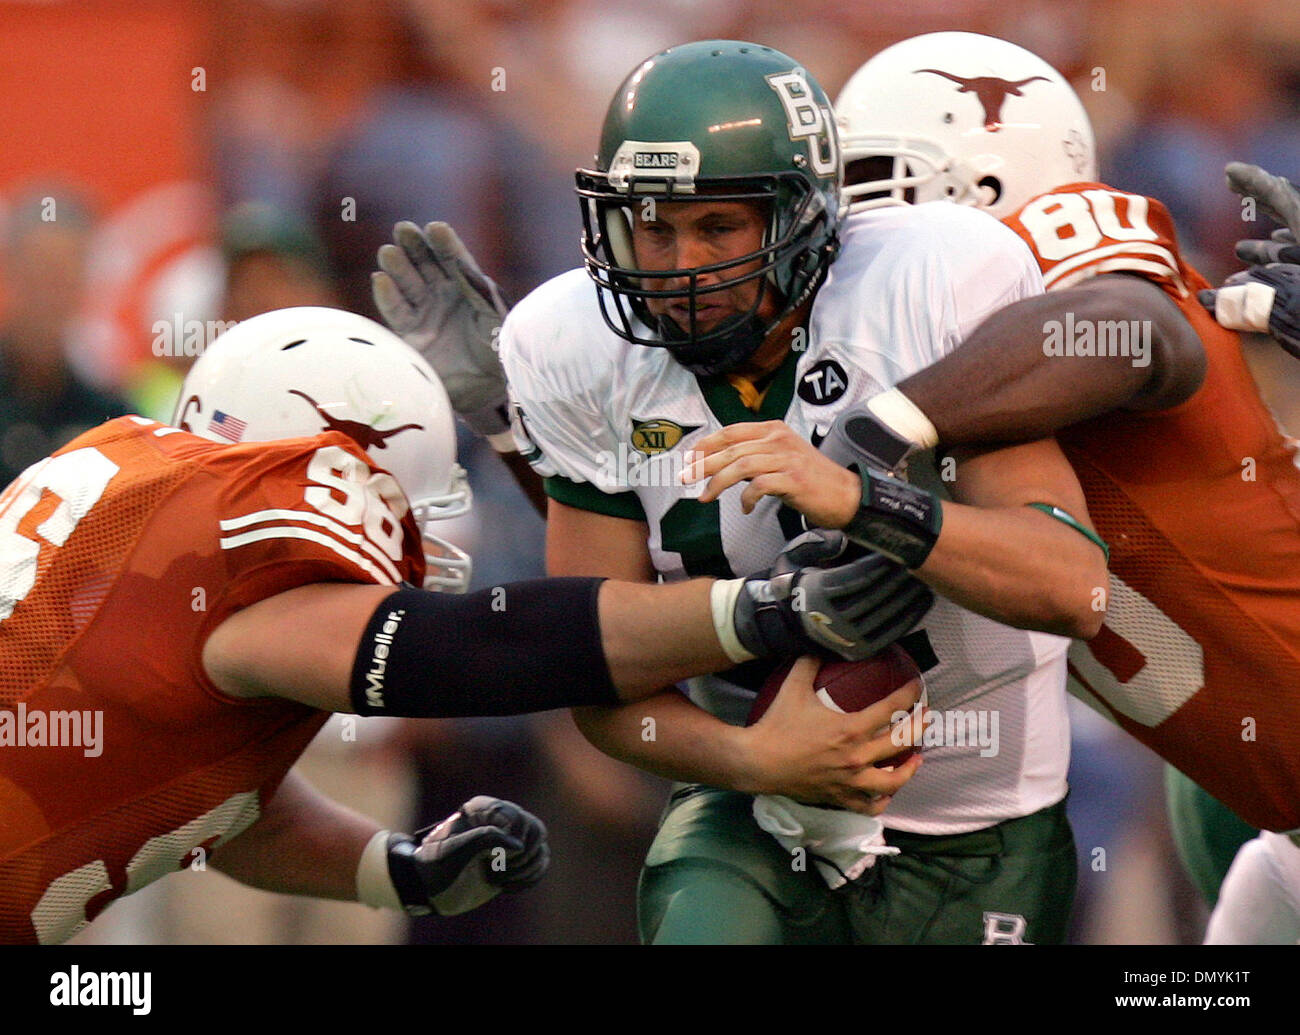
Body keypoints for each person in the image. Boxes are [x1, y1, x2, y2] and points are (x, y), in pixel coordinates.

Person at [384, 40, 1111, 944]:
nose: (680, 270)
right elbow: (599, 663)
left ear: (803, 221)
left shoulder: (929, 287)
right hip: (753, 812)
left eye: (718, 228)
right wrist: (753, 755)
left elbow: (1074, 585)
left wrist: (863, 502)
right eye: (653, 228)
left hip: (979, 824)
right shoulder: (576, 345)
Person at [0, 305, 926, 945]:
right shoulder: (234, 549)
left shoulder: (138, 507)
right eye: (406, 493)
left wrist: (395, 871)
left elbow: (214, 805)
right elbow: (477, 646)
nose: (422, 538)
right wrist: (758, 609)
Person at [819, 33, 1300, 937]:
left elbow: (1129, 326)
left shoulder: (1065, 265)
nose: (849, 224)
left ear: (990, 184)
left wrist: (888, 425)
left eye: (875, 182)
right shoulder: (934, 383)